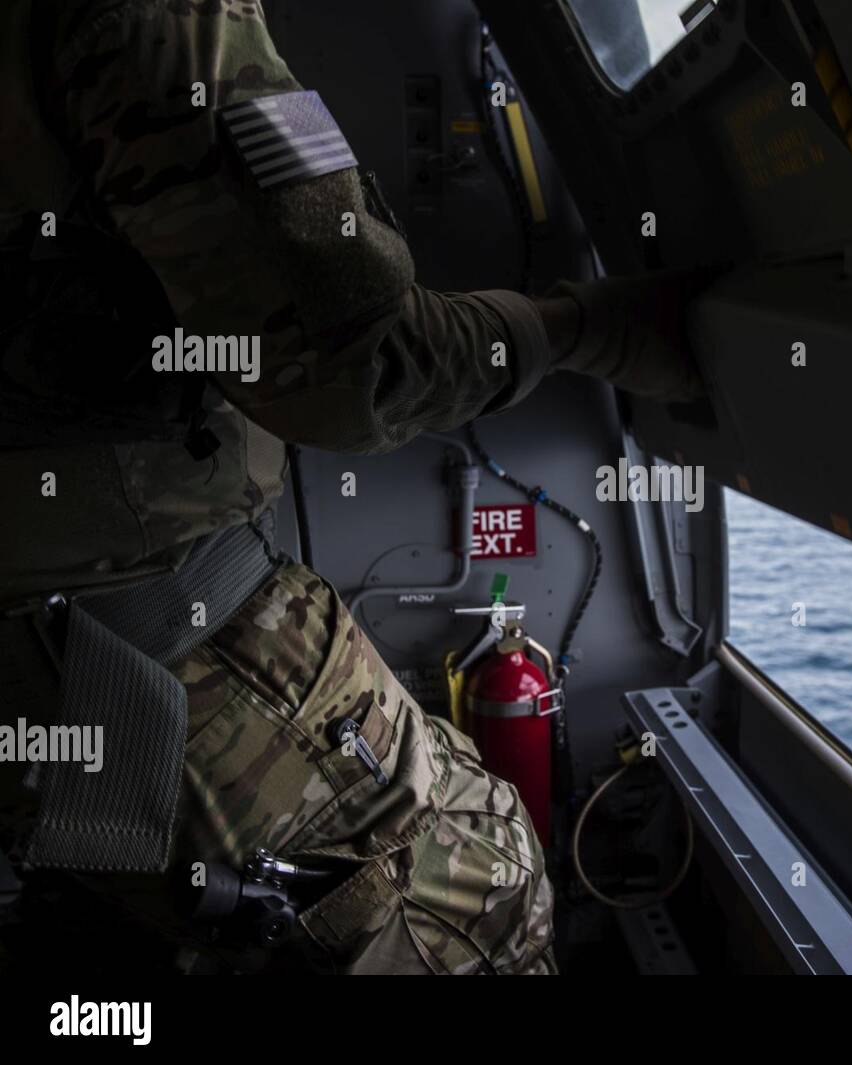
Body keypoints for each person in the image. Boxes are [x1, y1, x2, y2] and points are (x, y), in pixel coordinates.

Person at [0, 0, 706, 974]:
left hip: (65, 660)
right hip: (122, 644)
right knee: (485, 905)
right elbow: (359, 368)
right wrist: (590, 330)